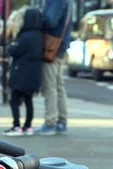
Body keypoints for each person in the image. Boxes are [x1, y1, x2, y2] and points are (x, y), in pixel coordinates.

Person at [34, 0, 72, 135]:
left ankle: (50, 122)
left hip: (51, 47)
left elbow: (50, 21)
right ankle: (62, 121)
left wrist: (37, 15)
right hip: (60, 47)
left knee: (50, 86)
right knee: (58, 86)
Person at [4, 7, 42, 136]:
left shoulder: (24, 37)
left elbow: (14, 51)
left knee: (14, 100)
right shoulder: (39, 36)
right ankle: (28, 126)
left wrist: (10, 46)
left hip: (21, 73)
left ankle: (16, 126)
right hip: (34, 74)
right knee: (28, 101)